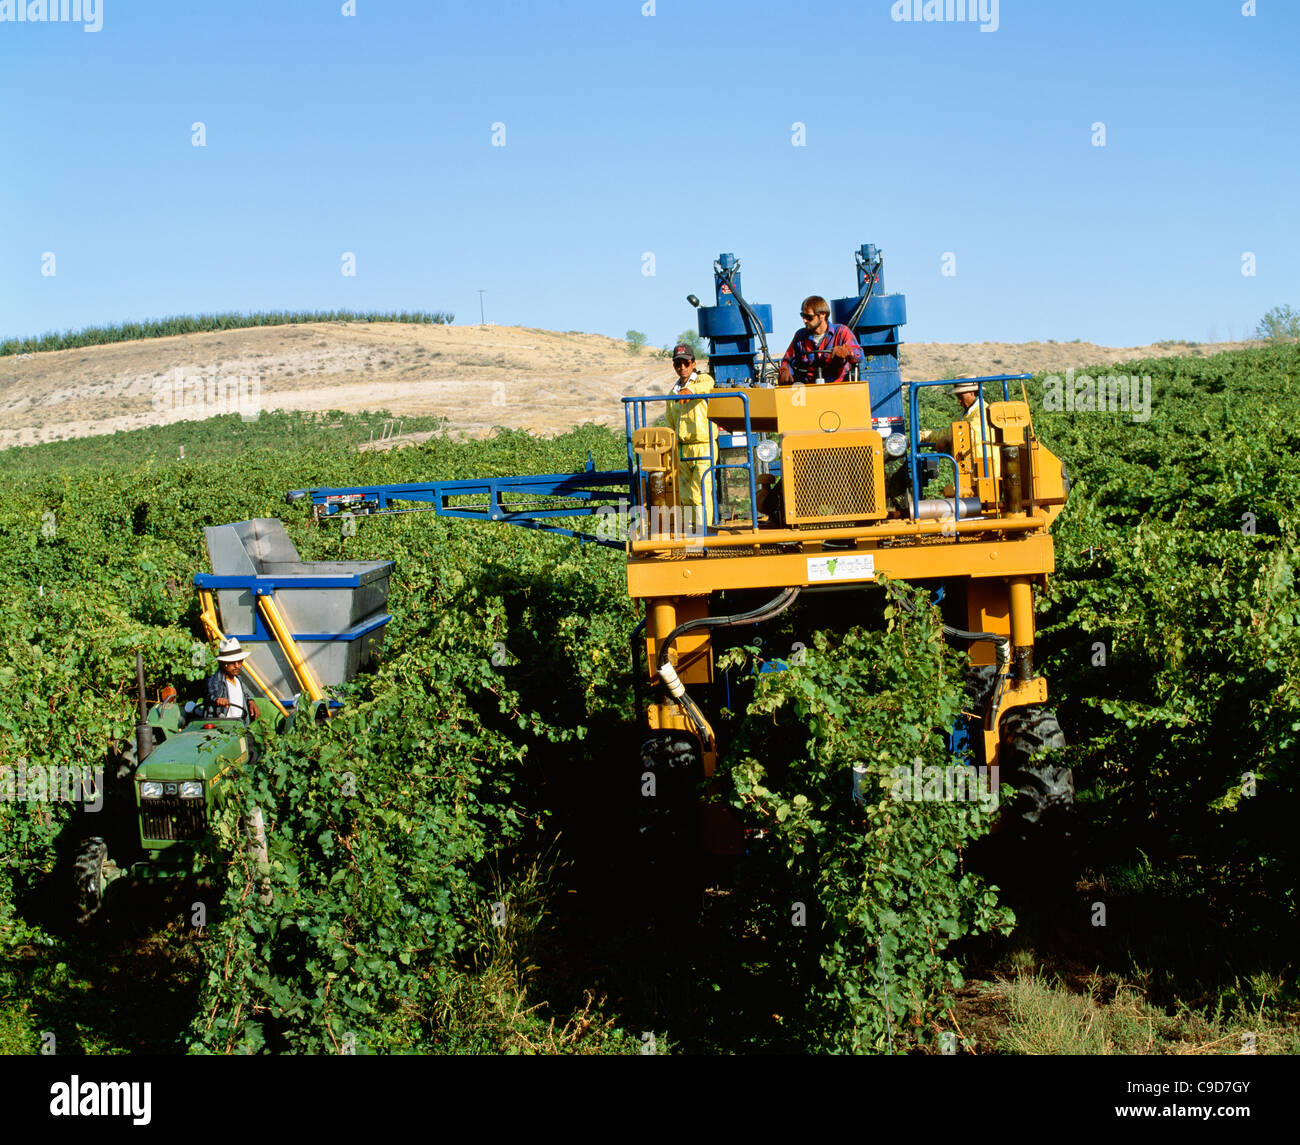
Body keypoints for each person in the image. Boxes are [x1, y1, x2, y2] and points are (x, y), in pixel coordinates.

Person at [666, 342, 718, 532]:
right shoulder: (672, 394)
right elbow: (671, 421)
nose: (682, 367)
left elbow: (708, 385)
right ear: (674, 366)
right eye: (678, 364)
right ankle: (690, 533)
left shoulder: (703, 381)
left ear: (693, 363)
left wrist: (690, 391)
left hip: (704, 446)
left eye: (686, 363)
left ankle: (704, 532)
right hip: (682, 448)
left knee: (700, 494)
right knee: (686, 495)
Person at [921, 377, 1001, 484]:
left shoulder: (983, 412)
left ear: (972, 393)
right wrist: (923, 436)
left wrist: (947, 439)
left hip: (985, 474)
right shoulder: (966, 414)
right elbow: (949, 431)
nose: (958, 401)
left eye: (960, 397)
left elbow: (970, 434)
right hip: (970, 471)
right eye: (957, 397)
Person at [777, 296, 862, 385]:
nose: (804, 320)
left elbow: (859, 355)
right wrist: (785, 371)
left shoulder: (841, 332)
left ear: (822, 315)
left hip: (838, 387)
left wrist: (848, 352)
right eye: (802, 316)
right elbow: (788, 360)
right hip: (810, 389)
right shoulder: (800, 336)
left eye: (809, 317)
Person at [206, 636, 261, 721]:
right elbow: (212, 692)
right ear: (222, 663)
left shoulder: (238, 679)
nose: (237, 666)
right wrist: (218, 699)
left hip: (240, 723)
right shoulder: (215, 680)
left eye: (239, 661)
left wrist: (251, 701)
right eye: (232, 662)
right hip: (223, 726)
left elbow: (244, 694)